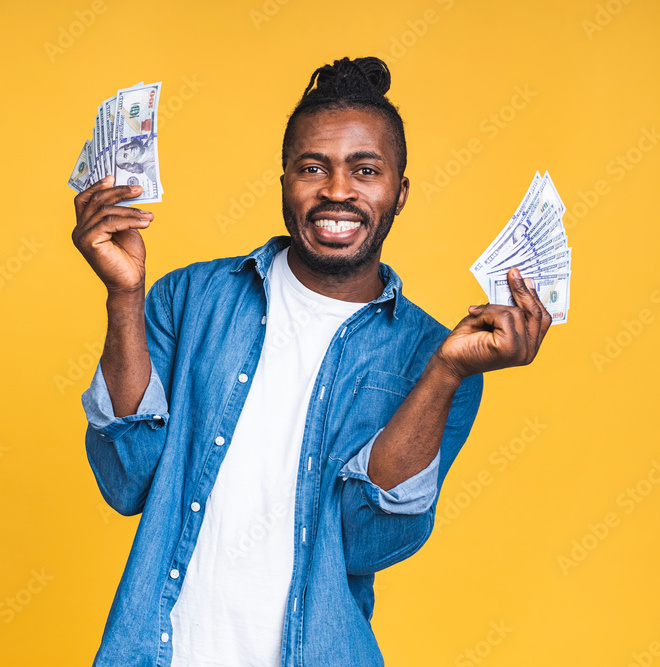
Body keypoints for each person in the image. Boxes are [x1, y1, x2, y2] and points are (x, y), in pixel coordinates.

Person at [71, 56, 551, 667]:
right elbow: (126, 476)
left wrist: (445, 372)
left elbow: (364, 543)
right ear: (284, 182)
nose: (337, 191)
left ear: (399, 193)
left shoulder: (429, 357)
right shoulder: (189, 299)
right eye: (313, 168)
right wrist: (125, 295)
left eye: (366, 169)